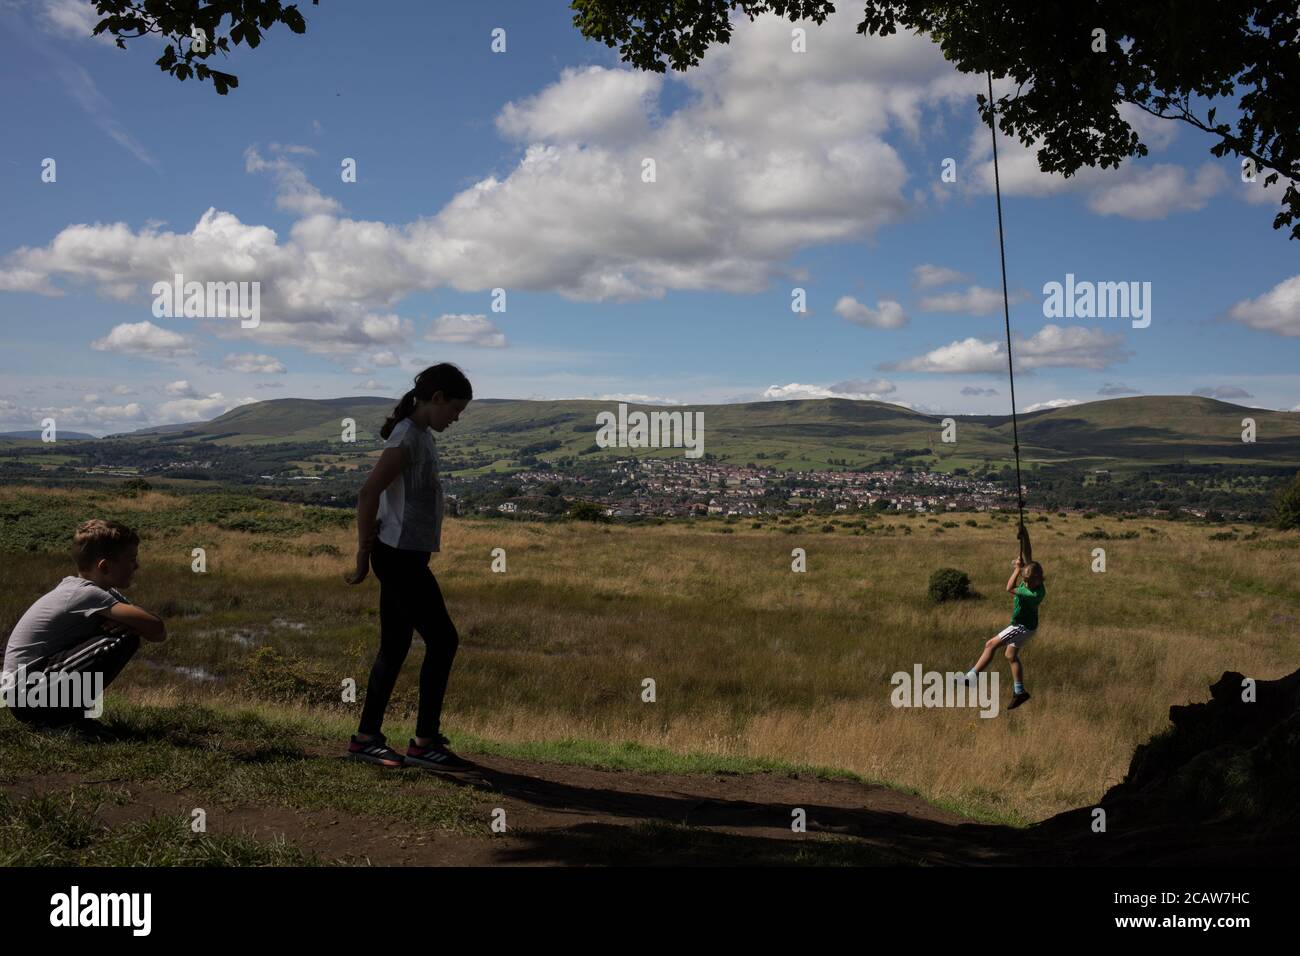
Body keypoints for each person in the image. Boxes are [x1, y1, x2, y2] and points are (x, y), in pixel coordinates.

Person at [345, 363, 474, 770]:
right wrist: (363, 555)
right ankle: (424, 742)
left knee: (396, 646)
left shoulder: (419, 435)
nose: (456, 419)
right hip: (399, 557)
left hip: (406, 555)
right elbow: (368, 493)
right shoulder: (406, 437)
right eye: (455, 409)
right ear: (436, 398)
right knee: (444, 640)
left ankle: (367, 739)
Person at [1, 519, 166, 735]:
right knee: (124, 638)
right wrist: (133, 626)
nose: (137, 566)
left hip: (27, 691)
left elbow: (156, 632)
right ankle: (61, 722)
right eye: (131, 559)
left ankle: (68, 718)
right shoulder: (86, 594)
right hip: (25, 693)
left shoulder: (97, 592)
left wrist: (133, 624)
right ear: (104, 566)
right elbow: (156, 627)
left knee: (125, 633)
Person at [961, 523, 1044, 710]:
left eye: (1026, 579)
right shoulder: (1038, 582)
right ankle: (1019, 691)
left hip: (1020, 627)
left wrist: (1016, 569)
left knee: (990, 644)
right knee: (1010, 655)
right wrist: (1024, 534)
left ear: (1033, 579)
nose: (1024, 581)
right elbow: (1029, 557)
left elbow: (1009, 588)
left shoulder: (1032, 593)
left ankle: (972, 676)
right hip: (1029, 628)